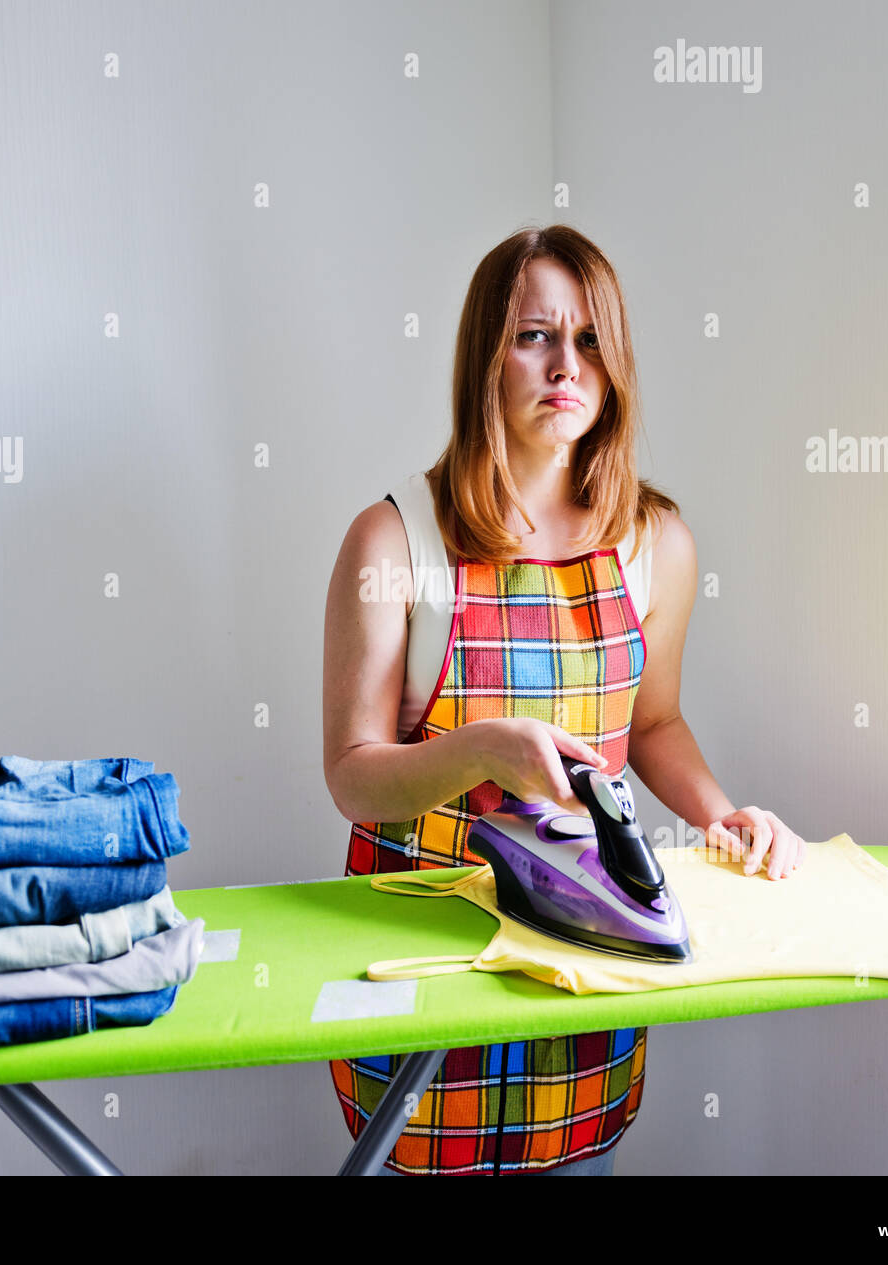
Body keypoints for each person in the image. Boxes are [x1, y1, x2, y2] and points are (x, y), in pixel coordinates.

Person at [321, 224, 806, 1176]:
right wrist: (482, 749)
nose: (565, 365)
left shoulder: (654, 543)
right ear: (484, 358)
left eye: (589, 340)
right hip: (424, 965)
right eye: (534, 336)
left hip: (584, 993)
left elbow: (653, 723)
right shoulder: (393, 542)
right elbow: (352, 775)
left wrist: (724, 816)